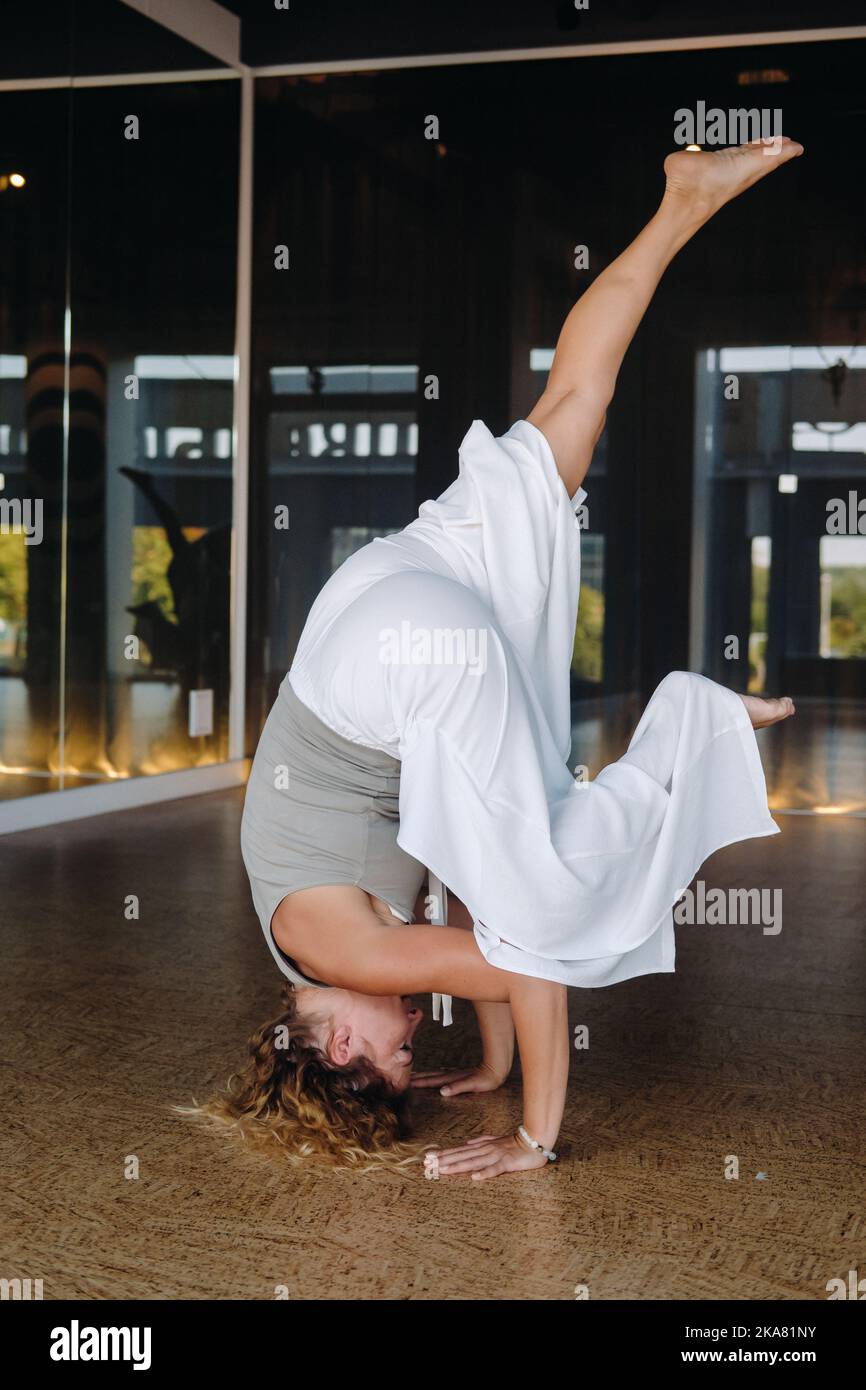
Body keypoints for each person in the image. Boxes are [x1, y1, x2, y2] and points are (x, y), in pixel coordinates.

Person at [194, 137, 802, 1180]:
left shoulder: (346, 951)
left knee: (563, 902)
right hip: (371, 608)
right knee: (573, 404)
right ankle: (680, 200)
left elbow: (522, 950)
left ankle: (685, 719)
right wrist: (491, 1061)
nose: (405, 1037)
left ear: (337, 1043)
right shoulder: (307, 932)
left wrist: (533, 1129)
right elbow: (473, 880)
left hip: (404, 666)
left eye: (394, 1052)